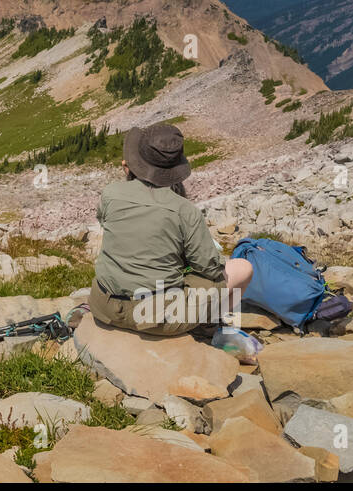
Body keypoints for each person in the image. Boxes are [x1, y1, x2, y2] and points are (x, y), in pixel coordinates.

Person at [87, 123, 254, 337]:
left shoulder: (110, 193)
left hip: (105, 307)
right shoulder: (185, 210)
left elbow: (105, 222)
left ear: (132, 164)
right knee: (242, 268)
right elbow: (210, 268)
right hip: (153, 318)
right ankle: (209, 326)